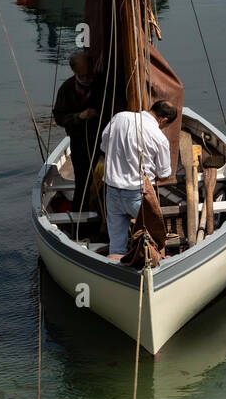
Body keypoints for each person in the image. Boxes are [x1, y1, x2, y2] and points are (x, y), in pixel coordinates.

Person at [100, 100, 178, 260]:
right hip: (138, 195)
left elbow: (104, 144)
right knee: (155, 238)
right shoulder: (159, 137)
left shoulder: (119, 118)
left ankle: (117, 269)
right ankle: (157, 265)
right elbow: (164, 173)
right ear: (163, 120)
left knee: (116, 244)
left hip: (113, 191)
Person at [52, 50, 99, 198]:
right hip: (80, 142)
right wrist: (79, 116)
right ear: (74, 71)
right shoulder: (67, 88)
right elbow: (59, 117)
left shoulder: (104, 83)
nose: (86, 79)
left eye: (88, 74)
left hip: (105, 139)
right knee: (82, 180)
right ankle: (81, 211)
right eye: (82, 76)